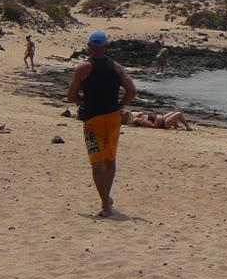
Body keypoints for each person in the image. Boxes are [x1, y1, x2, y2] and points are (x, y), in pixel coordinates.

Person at [67, 30, 136, 217]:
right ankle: (107, 199)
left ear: (89, 46)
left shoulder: (83, 68)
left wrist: (84, 101)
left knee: (97, 163)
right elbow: (131, 90)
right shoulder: (117, 68)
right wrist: (119, 105)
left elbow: (71, 96)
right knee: (110, 160)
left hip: (92, 118)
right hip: (112, 118)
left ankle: (106, 204)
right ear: (106, 47)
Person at [124, 109, 191, 130]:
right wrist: (156, 117)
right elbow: (154, 126)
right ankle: (188, 127)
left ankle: (176, 125)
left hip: (162, 119)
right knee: (179, 114)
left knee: (172, 112)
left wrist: (155, 116)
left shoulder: (141, 117)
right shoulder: (143, 121)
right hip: (164, 123)